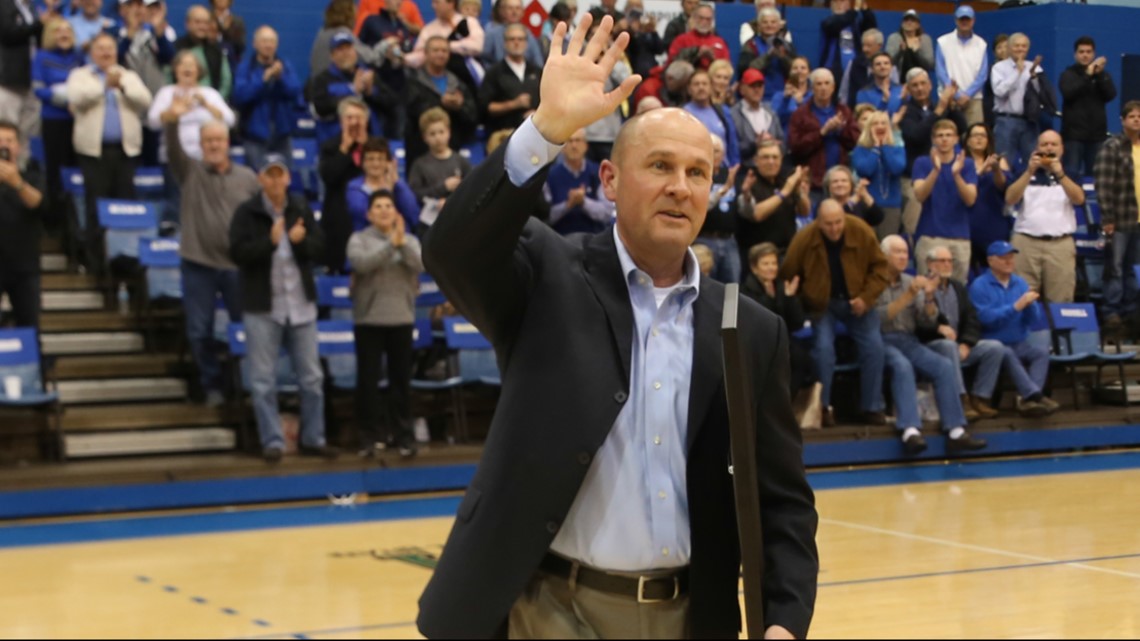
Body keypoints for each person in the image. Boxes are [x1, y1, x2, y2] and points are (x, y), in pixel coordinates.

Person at [417, 14, 818, 639]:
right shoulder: (548, 273)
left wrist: (786, 619)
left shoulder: (751, 328)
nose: (680, 188)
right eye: (659, 166)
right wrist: (545, 130)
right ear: (610, 179)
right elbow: (453, 250)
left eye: (697, 174)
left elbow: (782, 498)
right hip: (551, 607)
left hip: (690, 615)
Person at [228, 154, 335, 463]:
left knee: (312, 379)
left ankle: (314, 438)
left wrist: (300, 242)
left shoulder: (300, 208)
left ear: (288, 178)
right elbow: (237, 254)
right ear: (261, 179)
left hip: (300, 304)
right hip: (263, 307)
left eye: (280, 175)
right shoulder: (246, 213)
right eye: (269, 175)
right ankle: (273, 442)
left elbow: (320, 248)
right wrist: (270, 242)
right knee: (262, 380)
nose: (275, 181)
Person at [162, 105, 258, 406]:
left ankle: (244, 385)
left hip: (236, 267)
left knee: (244, 329)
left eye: (219, 140)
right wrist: (172, 121)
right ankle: (212, 386)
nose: (215, 145)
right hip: (198, 264)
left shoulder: (248, 178)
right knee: (199, 330)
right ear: (201, 145)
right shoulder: (189, 171)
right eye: (209, 141)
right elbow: (174, 147)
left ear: (228, 143)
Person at [779, 199, 890, 427]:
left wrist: (866, 298)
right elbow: (788, 273)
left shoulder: (861, 230)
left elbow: (881, 268)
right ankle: (824, 407)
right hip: (822, 305)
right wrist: (803, 301)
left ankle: (871, 407)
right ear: (818, 222)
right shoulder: (804, 238)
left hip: (857, 300)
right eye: (828, 224)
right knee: (823, 350)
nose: (834, 228)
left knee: (874, 346)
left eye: (838, 222)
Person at [877, 235, 983, 455]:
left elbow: (926, 322)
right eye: (897, 252)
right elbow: (879, 318)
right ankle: (910, 431)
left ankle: (955, 430)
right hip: (880, 341)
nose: (903, 257)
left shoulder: (910, 281)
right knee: (902, 366)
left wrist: (928, 299)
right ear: (883, 256)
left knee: (943, 366)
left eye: (906, 252)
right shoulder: (873, 282)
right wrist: (910, 295)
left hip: (909, 339)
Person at [66, 32, 153, 272]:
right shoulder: (81, 75)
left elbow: (145, 100)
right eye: (101, 49)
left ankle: (123, 261)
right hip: (93, 153)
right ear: (92, 52)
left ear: (116, 53)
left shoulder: (129, 76)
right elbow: (75, 98)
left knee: (124, 205)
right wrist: (103, 87)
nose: (106, 53)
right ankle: (96, 263)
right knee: (96, 206)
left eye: (110, 49)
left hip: (125, 152)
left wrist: (121, 85)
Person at [347, 189, 423, 459]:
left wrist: (401, 244)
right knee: (368, 382)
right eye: (377, 206)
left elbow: (422, 264)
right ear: (369, 213)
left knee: (400, 381)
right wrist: (392, 243)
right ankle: (368, 437)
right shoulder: (359, 239)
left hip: (401, 318)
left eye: (388, 205)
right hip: (368, 319)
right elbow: (361, 263)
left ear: (396, 212)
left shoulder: (410, 240)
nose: (383, 210)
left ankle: (404, 436)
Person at [969, 240, 1058, 418]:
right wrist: (1015, 307)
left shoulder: (1020, 283)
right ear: (991, 261)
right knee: (1005, 351)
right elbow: (985, 320)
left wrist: (1031, 306)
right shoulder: (979, 286)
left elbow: (1032, 320)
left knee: (1041, 352)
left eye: (1011, 257)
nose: (1009, 261)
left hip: (1019, 341)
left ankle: (1028, 400)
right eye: (1003, 258)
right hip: (993, 342)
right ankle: (1034, 395)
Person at [920, 244, 1004, 420]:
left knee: (995, 347)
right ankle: (960, 399)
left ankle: (980, 398)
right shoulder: (920, 287)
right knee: (949, 346)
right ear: (929, 263)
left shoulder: (958, 287)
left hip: (959, 345)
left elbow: (972, 319)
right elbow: (915, 323)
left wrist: (966, 342)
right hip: (931, 345)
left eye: (950, 261)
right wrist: (938, 329)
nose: (947, 265)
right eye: (942, 261)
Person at [1004, 130, 1084, 304]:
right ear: (1036, 148)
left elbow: (1079, 199)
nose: (1048, 148)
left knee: (1061, 299)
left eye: (1053, 144)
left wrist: (1060, 174)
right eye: (1044, 144)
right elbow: (1010, 198)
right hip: (1026, 243)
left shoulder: (1071, 173)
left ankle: (1059, 332)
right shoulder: (1022, 172)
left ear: (1061, 149)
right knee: (1022, 299)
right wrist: (1028, 171)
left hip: (1060, 245)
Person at [899, 68, 965, 236]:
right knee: (913, 225)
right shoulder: (905, 111)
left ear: (930, 85)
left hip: (943, 175)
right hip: (915, 177)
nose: (920, 88)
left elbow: (962, 128)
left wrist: (952, 105)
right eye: (915, 85)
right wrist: (939, 111)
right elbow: (916, 135)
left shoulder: (939, 106)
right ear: (908, 89)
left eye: (923, 83)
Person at [911, 119, 977, 283]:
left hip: (959, 237)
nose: (944, 139)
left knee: (957, 290)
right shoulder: (922, 162)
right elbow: (920, 195)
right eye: (940, 136)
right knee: (927, 286)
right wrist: (935, 171)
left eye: (948, 135)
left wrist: (956, 175)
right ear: (933, 140)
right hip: (929, 234)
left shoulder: (966, 164)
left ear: (956, 139)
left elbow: (970, 199)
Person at [741, 241, 810, 394]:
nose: (771, 267)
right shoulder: (745, 290)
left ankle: (788, 402)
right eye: (765, 264)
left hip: (782, 340)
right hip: (757, 344)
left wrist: (790, 298)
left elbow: (797, 323)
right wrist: (769, 299)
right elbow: (759, 324)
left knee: (803, 358)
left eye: (773, 263)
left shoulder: (781, 286)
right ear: (754, 268)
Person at [1094, 101, 1140, 331]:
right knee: (1116, 268)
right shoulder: (1111, 147)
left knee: (1134, 269)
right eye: (1131, 116)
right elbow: (1103, 185)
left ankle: (1132, 313)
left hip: (1139, 220)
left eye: (1139, 116)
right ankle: (1112, 313)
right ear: (1122, 120)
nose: (1136, 119)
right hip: (1120, 218)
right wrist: (1108, 218)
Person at [232, 26, 303, 172]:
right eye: (264, 41)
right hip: (254, 135)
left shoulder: (285, 66)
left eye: (271, 41)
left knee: (284, 178)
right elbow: (240, 96)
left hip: (282, 134)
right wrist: (263, 80)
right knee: (256, 180)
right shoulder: (245, 68)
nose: (268, 45)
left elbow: (295, 91)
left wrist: (281, 78)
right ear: (255, 44)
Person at [310, 31, 399, 146]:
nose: (346, 53)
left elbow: (392, 104)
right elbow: (321, 106)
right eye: (340, 49)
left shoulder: (368, 75)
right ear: (332, 56)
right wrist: (352, 91)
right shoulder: (322, 79)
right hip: (337, 144)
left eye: (349, 48)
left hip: (370, 144)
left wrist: (370, 92)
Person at [147, 51, 234, 164]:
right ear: (176, 69)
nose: (187, 68)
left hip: (205, 159)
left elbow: (230, 121)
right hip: (175, 159)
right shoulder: (166, 93)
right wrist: (172, 113)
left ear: (198, 70)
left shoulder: (210, 94)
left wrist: (207, 105)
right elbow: (152, 122)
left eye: (191, 65)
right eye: (183, 64)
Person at [405, 35, 479, 168]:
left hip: (452, 150)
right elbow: (411, 109)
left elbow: (472, 115)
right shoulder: (413, 80)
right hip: (419, 151)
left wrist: (460, 106)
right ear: (426, 53)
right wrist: (441, 104)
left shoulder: (458, 83)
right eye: (436, 50)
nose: (441, 54)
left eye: (444, 51)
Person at [31, 18, 83, 205]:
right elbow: (38, 89)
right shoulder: (42, 56)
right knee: (56, 171)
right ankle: (55, 221)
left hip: (78, 121)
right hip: (53, 121)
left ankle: (76, 220)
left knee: (76, 170)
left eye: (68, 30)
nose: (64, 34)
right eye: (58, 30)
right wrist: (65, 100)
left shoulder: (79, 57)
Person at [0, 121, 46, 329]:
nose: (4, 145)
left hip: (25, 267)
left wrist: (16, 182)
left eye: (9, 140)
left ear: (18, 146)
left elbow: (37, 202)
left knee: (30, 326)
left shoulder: (32, 175)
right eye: (0, 141)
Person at [787, 67, 859, 196]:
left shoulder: (844, 111)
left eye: (827, 83)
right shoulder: (800, 114)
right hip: (813, 183)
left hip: (840, 182)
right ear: (812, 88)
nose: (823, 88)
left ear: (833, 87)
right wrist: (822, 132)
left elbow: (855, 141)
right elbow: (795, 147)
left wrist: (841, 130)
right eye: (818, 84)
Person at [736, 141, 809, 263]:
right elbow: (756, 214)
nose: (771, 162)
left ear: (781, 160)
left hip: (787, 252)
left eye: (775, 157)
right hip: (759, 257)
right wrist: (785, 192)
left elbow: (805, 211)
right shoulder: (749, 182)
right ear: (756, 160)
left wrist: (798, 191)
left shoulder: (784, 179)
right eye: (766, 157)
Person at [1059, 36, 1116, 179]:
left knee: (1097, 177)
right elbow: (1069, 93)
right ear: (1075, 54)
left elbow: (1111, 95)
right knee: (1070, 175)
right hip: (1073, 137)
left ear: (1094, 54)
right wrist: (1087, 75)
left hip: (1097, 136)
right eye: (1081, 52)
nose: (1085, 55)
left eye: (1088, 52)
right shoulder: (1068, 74)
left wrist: (1100, 74)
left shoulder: (1102, 75)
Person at [407, 107, 472, 232]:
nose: (438, 138)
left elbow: (472, 190)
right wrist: (443, 187)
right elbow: (415, 194)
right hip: (430, 223)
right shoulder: (419, 164)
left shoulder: (461, 161)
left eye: (441, 132)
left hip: (458, 219)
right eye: (432, 134)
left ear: (449, 132)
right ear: (424, 137)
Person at [990, 33, 1047, 175]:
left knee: (1033, 162)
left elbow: (1043, 96)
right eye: (1016, 45)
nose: (1020, 49)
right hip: (1006, 121)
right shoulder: (999, 68)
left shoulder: (1035, 68)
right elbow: (999, 91)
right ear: (1009, 47)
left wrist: (1034, 77)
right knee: (1003, 162)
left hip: (1029, 122)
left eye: (1024, 46)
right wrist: (1017, 72)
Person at [345, 136, 419, 237]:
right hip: (367, 241)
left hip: (399, 240)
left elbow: (413, 214)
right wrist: (388, 191)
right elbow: (361, 213)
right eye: (370, 159)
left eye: (380, 159)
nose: (375, 164)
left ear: (388, 162)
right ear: (363, 162)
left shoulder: (398, 185)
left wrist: (396, 181)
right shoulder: (355, 187)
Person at [543, 128, 612, 235]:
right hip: (560, 239)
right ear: (562, 147)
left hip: (593, 238)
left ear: (586, 145)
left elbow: (607, 213)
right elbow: (545, 217)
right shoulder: (550, 176)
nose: (574, 146)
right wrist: (568, 205)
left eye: (578, 140)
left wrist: (584, 202)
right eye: (570, 141)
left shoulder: (598, 172)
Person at [963, 122, 1011, 275]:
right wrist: (982, 170)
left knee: (996, 272)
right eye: (974, 135)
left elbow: (1003, 186)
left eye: (982, 135)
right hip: (966, 224)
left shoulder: (1000, 162)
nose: (978, 139)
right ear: (967, 140)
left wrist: (996, 169)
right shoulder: (961, 162)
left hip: (993, 223)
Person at [478, 23, 542, 136]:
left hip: (534, 134)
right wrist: (513, 104)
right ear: (504, 43)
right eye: (512, 39)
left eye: (520, 39)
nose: (516, 43)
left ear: (526, 43)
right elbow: (485, 107)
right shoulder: (494, 73)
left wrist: (538, 113)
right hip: (503, 135)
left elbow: (547, 101)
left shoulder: (537, 71)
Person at [2, 0, 48, 150]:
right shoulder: (4, 4)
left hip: (32, 79)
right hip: (9, 80)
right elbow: (7, 32)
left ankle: (20, 169)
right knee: (6, 130)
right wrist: (39, 23)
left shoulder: (33, 9)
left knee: (26, 132)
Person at [694, 134, 740, 282]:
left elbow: (743, 210)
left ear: (724, 154)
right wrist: (723, 190)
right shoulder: (696, 174)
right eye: (710, 150)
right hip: (704, 239)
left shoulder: (730, 175)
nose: (713, 155)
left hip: (729, 240)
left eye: (717, 151)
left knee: (732, 289)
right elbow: (698, 206)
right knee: (704, 284)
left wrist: (746, 195)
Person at [851, 110, 904, 238]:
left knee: (888, 247)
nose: (880, 126)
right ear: (869, 128)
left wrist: (885, 146)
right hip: (867, 206)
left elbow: (896, 168)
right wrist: (875, 147)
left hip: (891, 206)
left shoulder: (897, 149)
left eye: (884, 123)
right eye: (875, 123)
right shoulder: (860, 150)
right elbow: (865, 170)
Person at [935, 4, 987, 127]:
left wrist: (967, 94)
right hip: (948, 98)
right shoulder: (943, 42)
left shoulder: (981, 44)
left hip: (974, 100)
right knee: (946, 137)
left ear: (973, 20)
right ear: (955, 20)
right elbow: (940, 71)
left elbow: (982, 75)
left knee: (974, 138)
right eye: (961, 19)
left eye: (967, 19)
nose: (964, 22)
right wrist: (956, 94)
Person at [683, 69, 739, 168]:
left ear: (711, 87)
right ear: (689, 89)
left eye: (705, 84)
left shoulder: (723, 111)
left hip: (723, 170)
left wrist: (734, 165)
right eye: (696, 84)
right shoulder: (683, 114)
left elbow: (732, 143)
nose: (701, 87)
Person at [736, 7, 794, 101]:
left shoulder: (787, 45)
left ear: (779, 25)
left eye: (773, 22)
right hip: (757, 97)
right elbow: (746, 70)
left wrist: (782, 57)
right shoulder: (751, 45)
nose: (769, 25)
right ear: (759, 26)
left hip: (783, 96)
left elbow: (794, 70)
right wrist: (768, 56)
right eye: (765, 22)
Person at [175, 5, 232, 100]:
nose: (202, 26)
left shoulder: (217, 51)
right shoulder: (176, 48)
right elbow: (167, 77)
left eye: (206, 23)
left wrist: (215, 102)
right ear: (187, 24)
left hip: (211, 108)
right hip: (179, 104)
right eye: (197, 22)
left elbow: (226, 81)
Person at [730, 68, 783, 163]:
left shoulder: (770, 112)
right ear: (742, 89)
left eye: (760, 86)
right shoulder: (733, 114)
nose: (757, 90)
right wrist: (755, 144)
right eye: (752, 86)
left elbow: (782, 141)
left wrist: (773, 142)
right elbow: (733, 148)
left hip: (771, 166)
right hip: (746, 168)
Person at [482, 0, 544, 69]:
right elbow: (485, 60)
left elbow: (538, 62)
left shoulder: (528, 34)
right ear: (502, 12)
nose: (514, 12)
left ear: (522, 12)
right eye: (510, 8)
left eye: (517, 8)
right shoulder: (492, 34)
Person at [667, 2, 729, 70]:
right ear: (694, 18)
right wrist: (696, 54)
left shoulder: (720, 42)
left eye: (708, 19)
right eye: (701, 18)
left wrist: (713, 60)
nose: (704, 22)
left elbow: (726, 68)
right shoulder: (681, 40)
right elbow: (672, 65)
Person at [821, 164, 882, 229]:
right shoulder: (823, 204)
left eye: (844, 181)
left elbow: (878, 218)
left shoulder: (859, 204)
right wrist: (853, 201)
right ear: (828, 185)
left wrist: (866, 196)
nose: (840, 184)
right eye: (835, 181)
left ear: (851, 184)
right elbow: (841, 216)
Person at [885, 9, 933, 81]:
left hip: (919, 81)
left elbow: (930, 65)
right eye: (906, 20)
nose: (909, 22)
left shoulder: (925, 39)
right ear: (902, 23)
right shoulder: (894, 38)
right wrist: (900, 52)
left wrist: (917, 52)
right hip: (899, 81)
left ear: (918, 25)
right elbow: (888, 62)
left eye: (912, 20)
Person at [771, 55, 810, 131]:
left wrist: (801, 104)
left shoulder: (813, 97)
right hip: (785, 139)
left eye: (803, 68)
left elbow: (812, 123)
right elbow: (774, 122)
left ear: (809, 73)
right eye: (795, 68)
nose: (799, 71)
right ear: (789, 73)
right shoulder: (779, 96)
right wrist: (785, 100)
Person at [209, 0, 244, 66]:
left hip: (231, 63)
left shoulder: (237, 22)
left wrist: (227, 31)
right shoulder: (206, 18)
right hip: (209, 61)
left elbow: (241, 47)